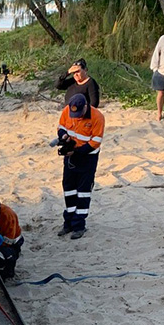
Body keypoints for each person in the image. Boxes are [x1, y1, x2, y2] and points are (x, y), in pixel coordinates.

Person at [56, 91, 105, 239]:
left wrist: (76, 152)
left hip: (87, 158)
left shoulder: (97, 117)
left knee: (83, 191)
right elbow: (61, 126)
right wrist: (63, 136)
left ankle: (79, 225)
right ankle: (68, 222)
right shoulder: (67, 110)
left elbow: (95, 141)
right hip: (70, 156)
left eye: (79, 114)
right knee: (68, 189)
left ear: (85, 107)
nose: (76, 117)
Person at [0, 197, 24, 276]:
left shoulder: (7, 215)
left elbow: (9, 241)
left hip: (10, 244)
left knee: (0, 258)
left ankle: (7, 272)